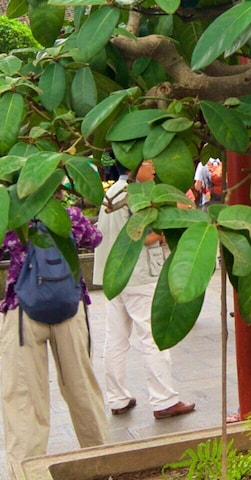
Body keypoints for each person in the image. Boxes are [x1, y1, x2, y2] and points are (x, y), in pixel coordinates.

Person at [0, 199, 109, 479]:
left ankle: (28, 474)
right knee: (83, 390)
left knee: (24, 400)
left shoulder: (12, 218)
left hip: (23, 311)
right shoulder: (68, 215)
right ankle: (101, 467)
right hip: (70, 308)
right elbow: (94, 239)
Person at [95, 160, 198, 420]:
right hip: (138, 275)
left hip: (112, 276)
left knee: (116, 338)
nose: (154, 167)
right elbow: (146, 235)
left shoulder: (111, 194)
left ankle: (117, 398)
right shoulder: (135, 196)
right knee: (153, 336)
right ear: (135, 165)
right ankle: (164, 400)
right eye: (149, 162)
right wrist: (172, 224)